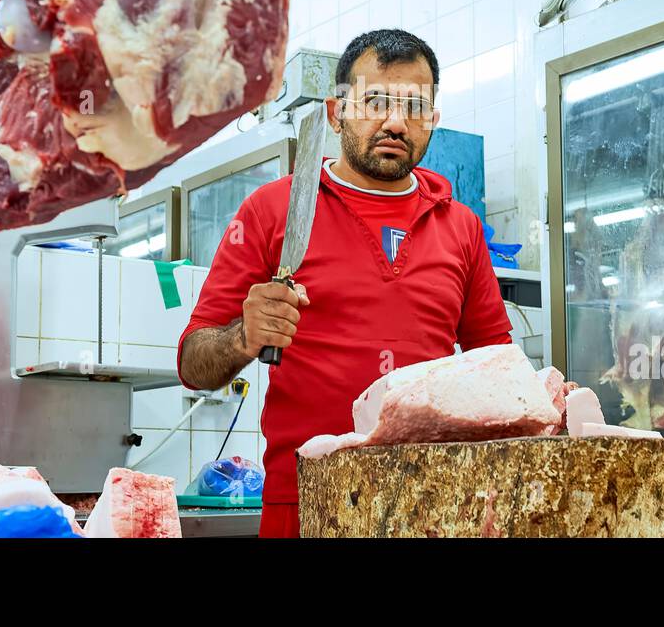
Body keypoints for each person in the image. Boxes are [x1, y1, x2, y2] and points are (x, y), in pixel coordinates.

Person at [176, 28, 514, 538]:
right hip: (307, 500)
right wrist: (243, 337)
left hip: (435, 501)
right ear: (336, 113)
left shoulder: (461, 226)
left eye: (415, 107)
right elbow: (193, 364)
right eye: (375, 101)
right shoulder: (272, 210)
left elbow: (497, 368)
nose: (396, 122)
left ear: (433, 122)